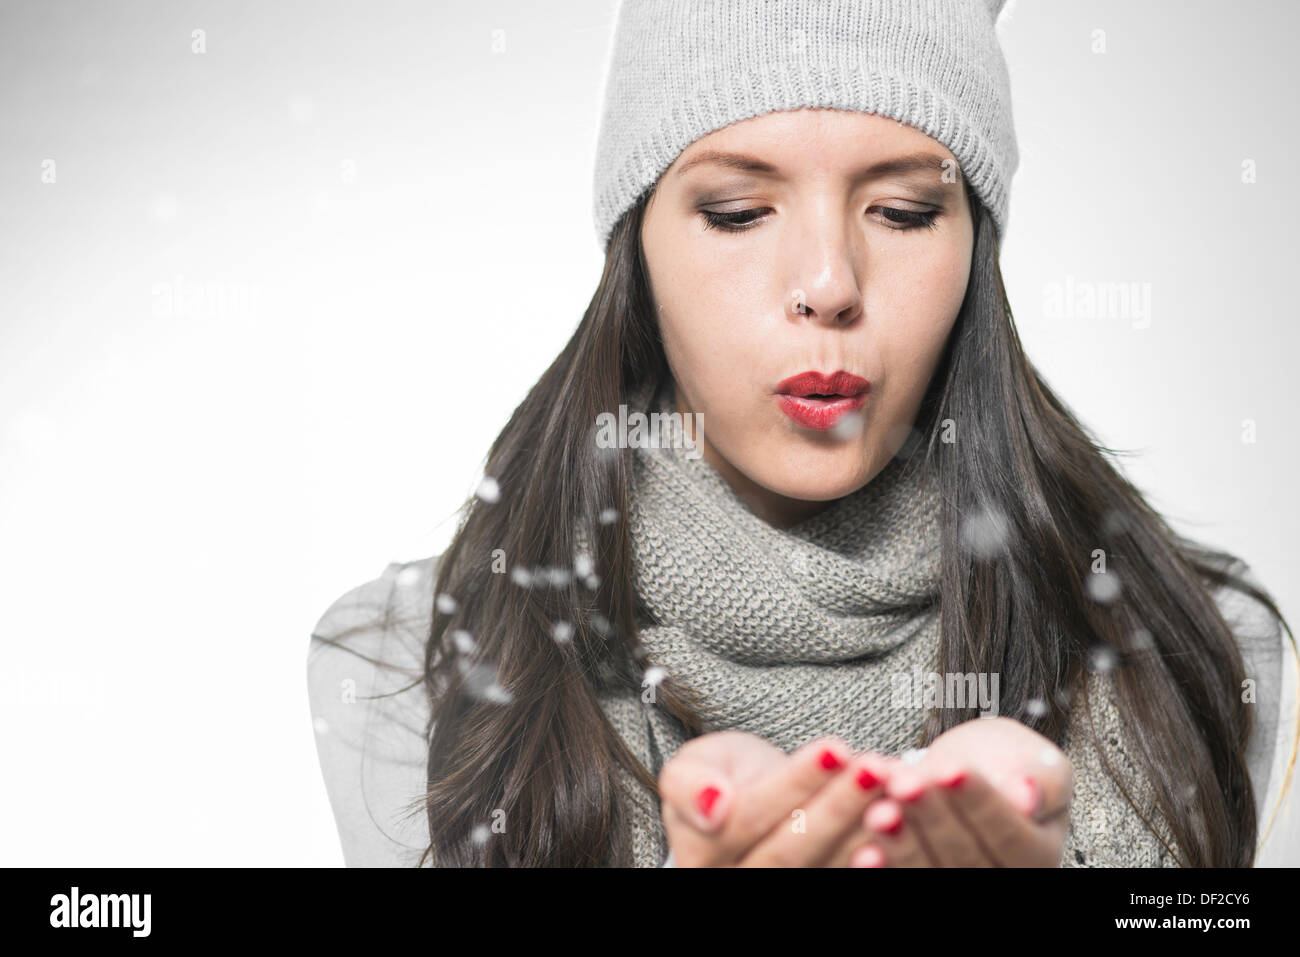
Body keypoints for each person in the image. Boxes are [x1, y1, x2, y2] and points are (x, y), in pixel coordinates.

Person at [307, 0, 1298, 867]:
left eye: (904, 211)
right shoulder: (404, 666)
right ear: (635, 248)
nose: (828, 282)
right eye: (737, 212)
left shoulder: (1203, 654)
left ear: (976, 248)